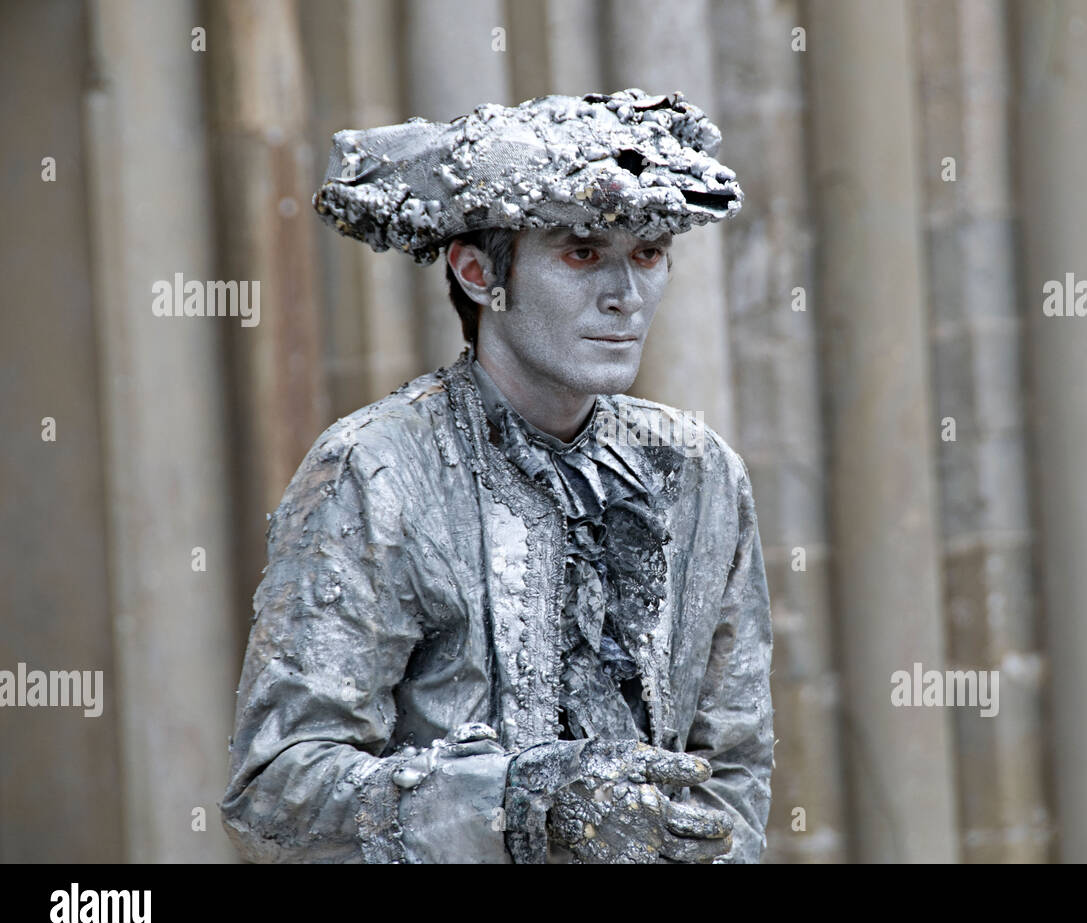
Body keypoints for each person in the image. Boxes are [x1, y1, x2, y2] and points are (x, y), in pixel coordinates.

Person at [220, 89, 774, 864]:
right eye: (582, 252)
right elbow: (277, 787)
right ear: (479, 273)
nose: (625, 296)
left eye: (648, 254)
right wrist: (520, 803)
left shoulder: (700, 473)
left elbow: (733, 766)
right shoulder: (376, 470)